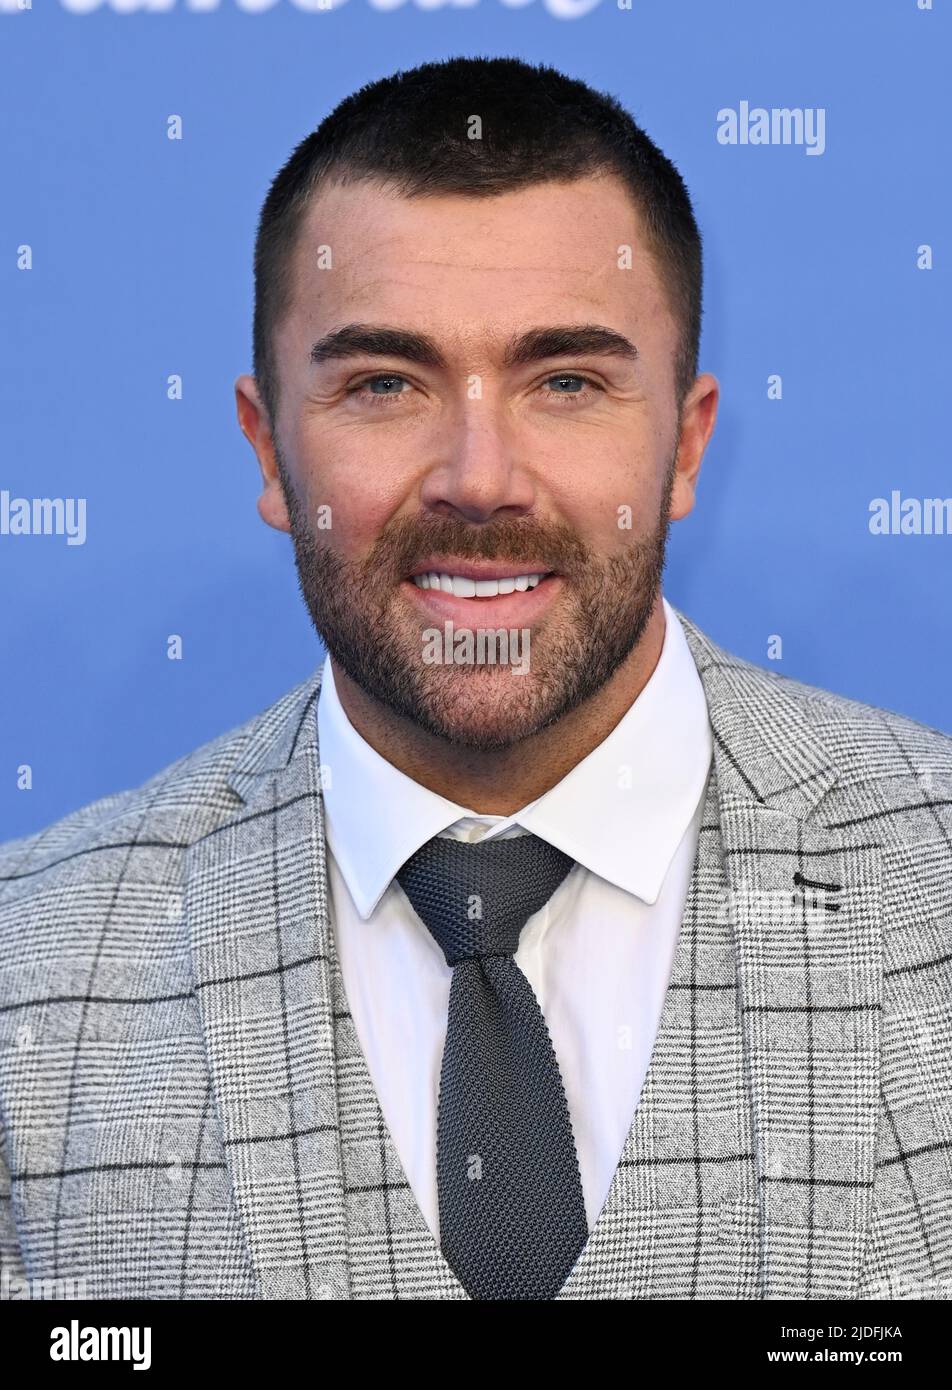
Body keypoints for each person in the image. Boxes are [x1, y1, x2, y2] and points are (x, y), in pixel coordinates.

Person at [1, 56, 950, 1303]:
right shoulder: (32, 973)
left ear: (685, 444)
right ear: (268, 448)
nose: (479, 476)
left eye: (565, 381)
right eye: (383, 384)